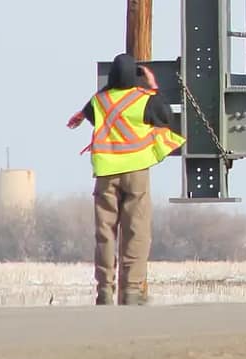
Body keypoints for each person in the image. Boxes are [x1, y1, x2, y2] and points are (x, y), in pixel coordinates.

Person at [65, 53, 184, 305]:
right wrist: (152, 85)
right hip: (136, 172)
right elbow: (166, 117)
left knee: (105, 234)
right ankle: (131, 291)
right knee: (136, 231)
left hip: (106, 174)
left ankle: (104, 290)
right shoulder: (145, 99)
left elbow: (93, 108)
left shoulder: (99, 101)